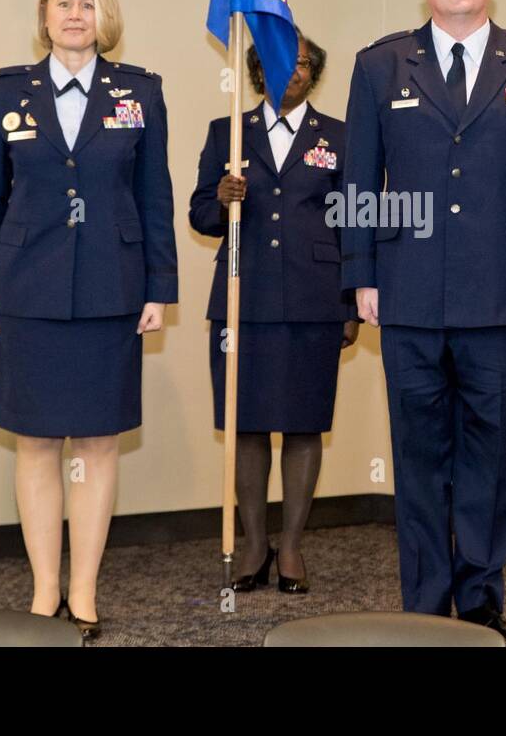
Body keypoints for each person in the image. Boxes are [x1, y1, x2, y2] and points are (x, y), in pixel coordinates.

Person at [341, 0, 506, 643]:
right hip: (406, 291)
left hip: (503, 292)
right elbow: (359, 179)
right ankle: (424, 606)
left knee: (492, 451)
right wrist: (361, 274)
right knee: (417, 456)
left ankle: (479, 603)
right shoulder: (380, 64)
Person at [0, 0, 177, 639]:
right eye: (63, 3)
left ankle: (83, 594)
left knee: (97, 445)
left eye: (87, 3)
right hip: (27, 288)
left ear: (103, 16)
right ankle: (43, 591)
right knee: (35, 444)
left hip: (113, 289)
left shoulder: (140, 92)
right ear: (45, 15)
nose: (75, 14)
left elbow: (156, 200)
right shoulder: (6, 94)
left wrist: (160, 287)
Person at [190, 30, 358, 593]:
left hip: (316, 297)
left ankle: (290, 547)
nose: (294, 71)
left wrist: (352, 299)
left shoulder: (338, 136)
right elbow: (197, 215)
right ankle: (253, 545)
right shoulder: (227, 132)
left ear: (314, 72)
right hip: (244, 297)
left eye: (304, 63)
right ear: (260, 70)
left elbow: (355, 221)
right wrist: (220, 199)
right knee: (248, 424)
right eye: (282, 62)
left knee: (306, 423)